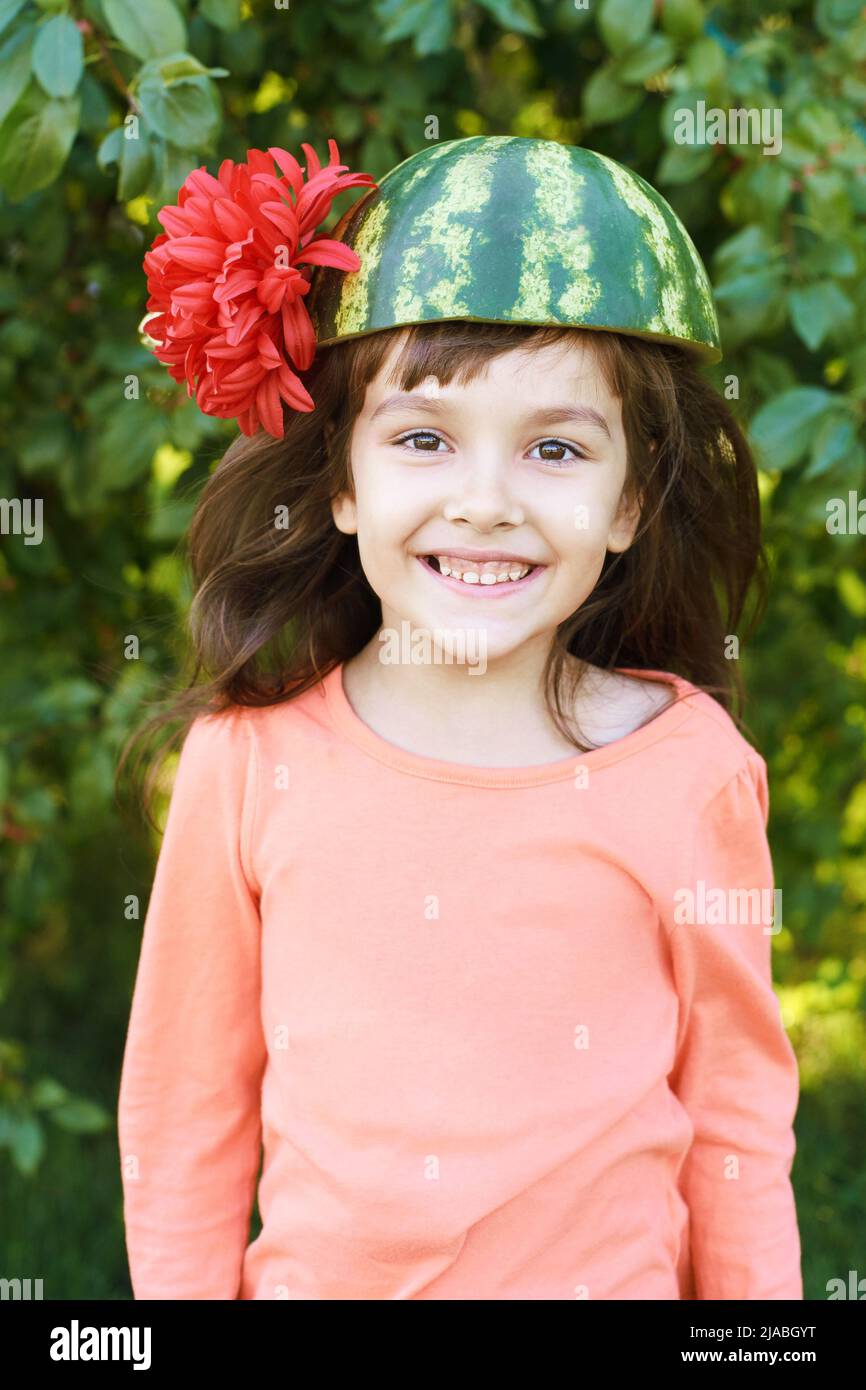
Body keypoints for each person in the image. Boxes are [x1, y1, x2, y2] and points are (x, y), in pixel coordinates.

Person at [116, 135, 803, 1300]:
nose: (483, 502)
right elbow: (184, 1122)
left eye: (552, 448)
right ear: (341, 480)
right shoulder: (247, 765)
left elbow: (736, 1118)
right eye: (424, 439)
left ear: (628, 500)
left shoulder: (683, 771)